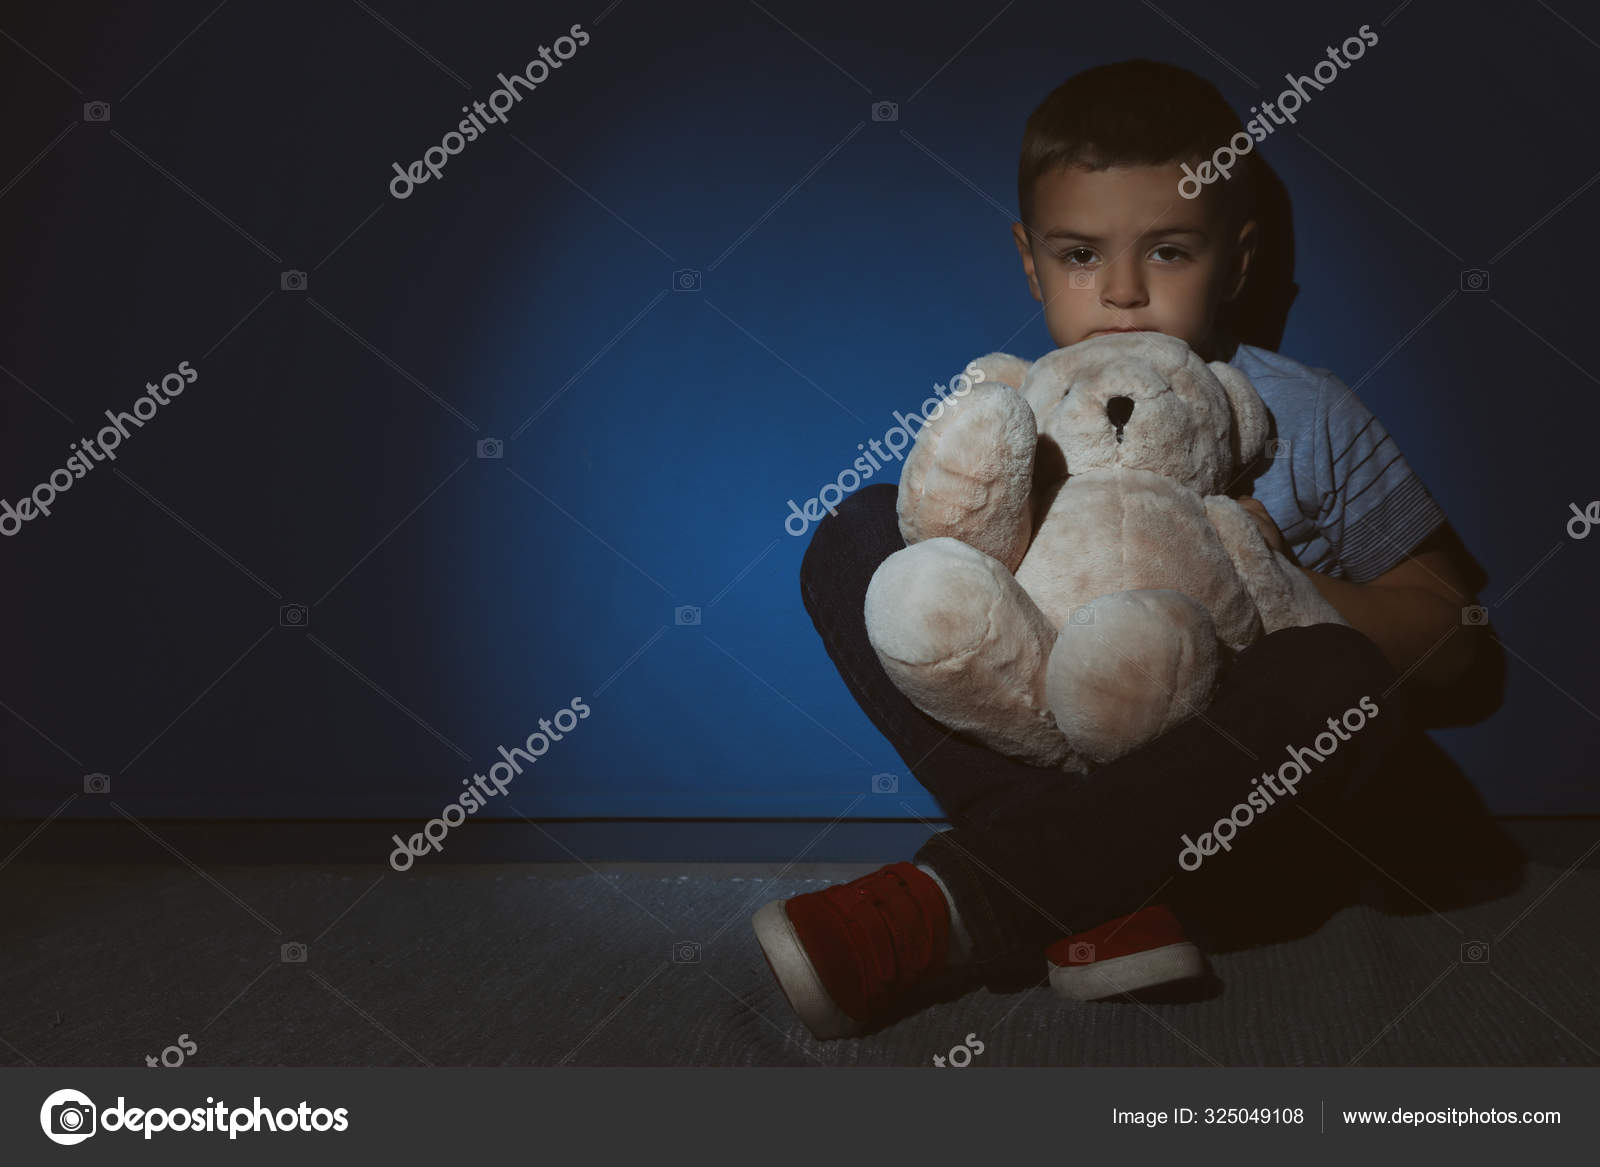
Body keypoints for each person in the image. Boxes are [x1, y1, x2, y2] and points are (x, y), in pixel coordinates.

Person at [751, 59, 1490, 1042]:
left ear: (1237, 260)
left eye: (1170, 251)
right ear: (1030, 263)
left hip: (1234, 828)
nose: (1124, 292)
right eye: (1080, 255)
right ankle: (1087, 891)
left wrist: (1274, 572)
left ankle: (967, 902)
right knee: (859, 530)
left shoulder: (1305, 413)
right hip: (1053, 768)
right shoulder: (1020, 406)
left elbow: (1459, 639)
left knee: (1338, 676)